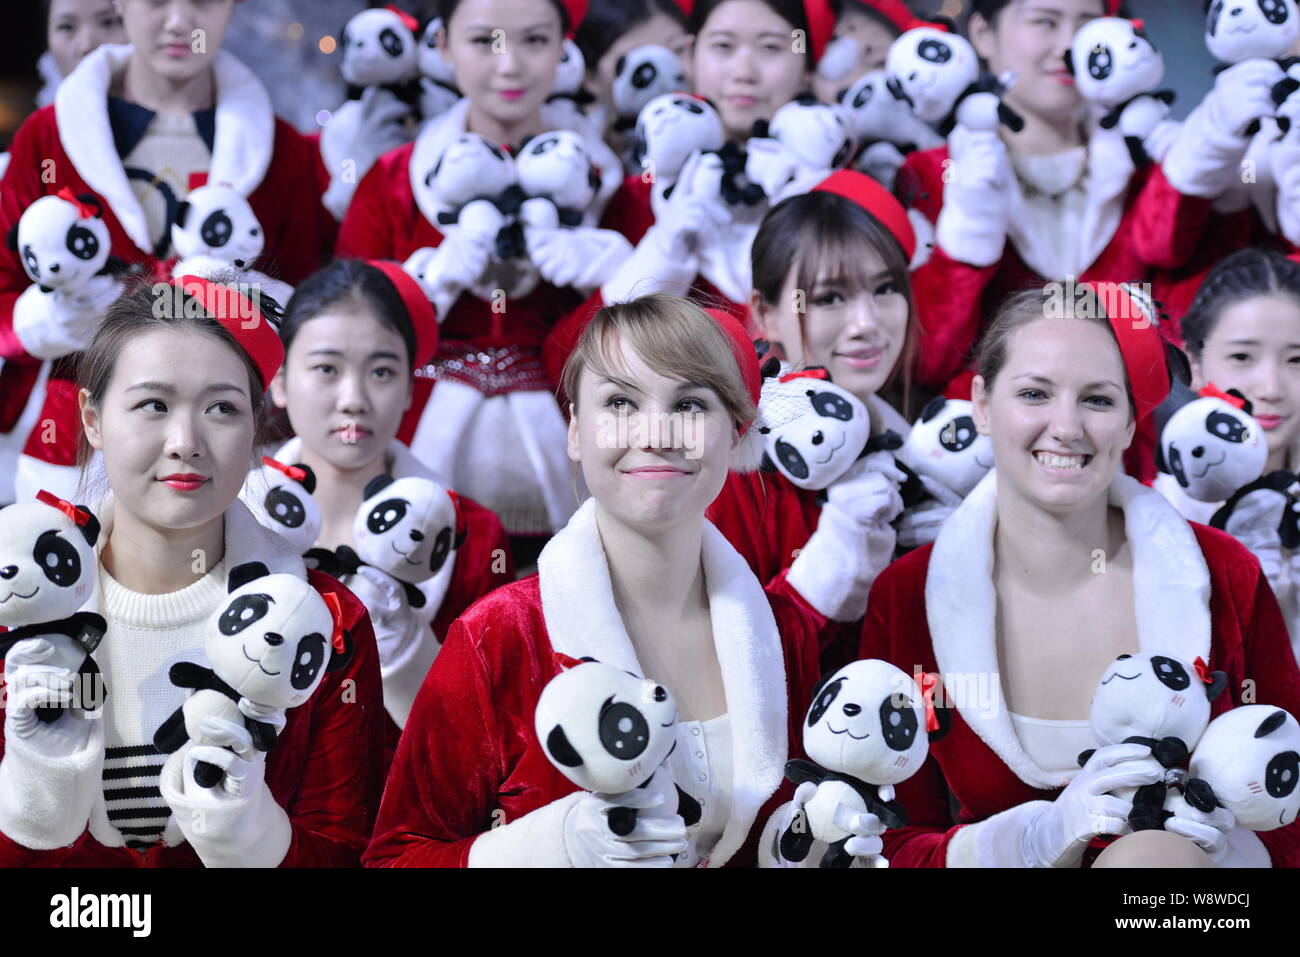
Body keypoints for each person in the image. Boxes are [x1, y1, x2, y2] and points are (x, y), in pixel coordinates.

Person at [363, 294, 878, 868]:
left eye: (689, 403)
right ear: (575, 433)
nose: (656, 433)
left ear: (735, 435)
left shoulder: (784, 634)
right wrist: (555, 846)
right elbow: (396, 857)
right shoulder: (496, 638)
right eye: (620, 403)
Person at [852, 280, 1300, 868]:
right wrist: (1028, 841)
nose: (1066, 427)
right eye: (1035, 393)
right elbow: (885, 839)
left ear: (1132, 424)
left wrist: (1229, 854)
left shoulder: (1225, 573)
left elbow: (1292, 808)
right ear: (983, 405)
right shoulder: (906, 595)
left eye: (1098, 400)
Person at [0, 274, 384, 866]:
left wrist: (251, 834)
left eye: (222, 408)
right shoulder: (13, 605)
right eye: (154, 404)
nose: (185, 441)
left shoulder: (326, 622)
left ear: (256, 425)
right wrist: (35, 781)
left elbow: (348, 852)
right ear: (93, 419)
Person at [0, 0, 336, 504]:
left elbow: (305, 305)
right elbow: (5, 292)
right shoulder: (48, 138)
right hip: (69, 438)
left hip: (222, 439)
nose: (179, 22)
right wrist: (52, 318)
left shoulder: (282, 150)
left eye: (203, 2)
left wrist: (243, 304)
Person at [337, 0, 634, 541]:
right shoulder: (393, 180)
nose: (509, 65)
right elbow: (344, 333)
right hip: (409, 453)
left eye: (535, 41)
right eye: (483, 42)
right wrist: (429, 283)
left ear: (564, 47)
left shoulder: (611, 188)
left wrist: (612, 272)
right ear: (443, 45)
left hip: (582, 448)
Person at [899, 0, 1211, 482]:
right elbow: (928, 354)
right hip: (982, 470)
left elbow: (1194, 326)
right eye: (1044, 21)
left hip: (1143, 467)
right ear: (983, 33)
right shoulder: (933, 175)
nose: (1067, 46)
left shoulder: (1151, 162)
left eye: (1086, 23)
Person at [268, 257, 513, 751]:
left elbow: (486, 730)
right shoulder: (232, 515)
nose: (354, 398)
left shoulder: (472, 534)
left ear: (408, 388)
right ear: (279, 380)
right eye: (326, 369)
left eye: (381, 371)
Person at [705, 170, 930, 669]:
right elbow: (718, 667)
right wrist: (834, 562)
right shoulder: (732, 467)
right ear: (764, 313)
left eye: (886, 288)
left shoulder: (925, 449)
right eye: (830, 297)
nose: (868, 323)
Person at [595, 0, 834, 310]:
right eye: (723, 46)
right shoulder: (645, 195)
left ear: (808, 69)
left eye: (771, 48)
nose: (744, 72)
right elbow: (576, 349)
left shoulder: (835, 187)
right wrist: (662, 253)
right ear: (690, 54)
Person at [0, 0, 128, 504]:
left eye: (107, 20)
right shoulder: (37, 144)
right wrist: (59, 316)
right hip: (48, 420)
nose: (87, 42)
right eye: (67, 26)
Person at [1158, 249, 1300, 660]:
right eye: (1242, 357)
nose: (1270, 387)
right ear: (1194, 363)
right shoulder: (1156, 517)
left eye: (1296, 359)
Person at [574, 0, 691, 158]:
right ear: (589, 78)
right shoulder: (578, 150)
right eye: (638, 59)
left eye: (677, 49)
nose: (664, 69)